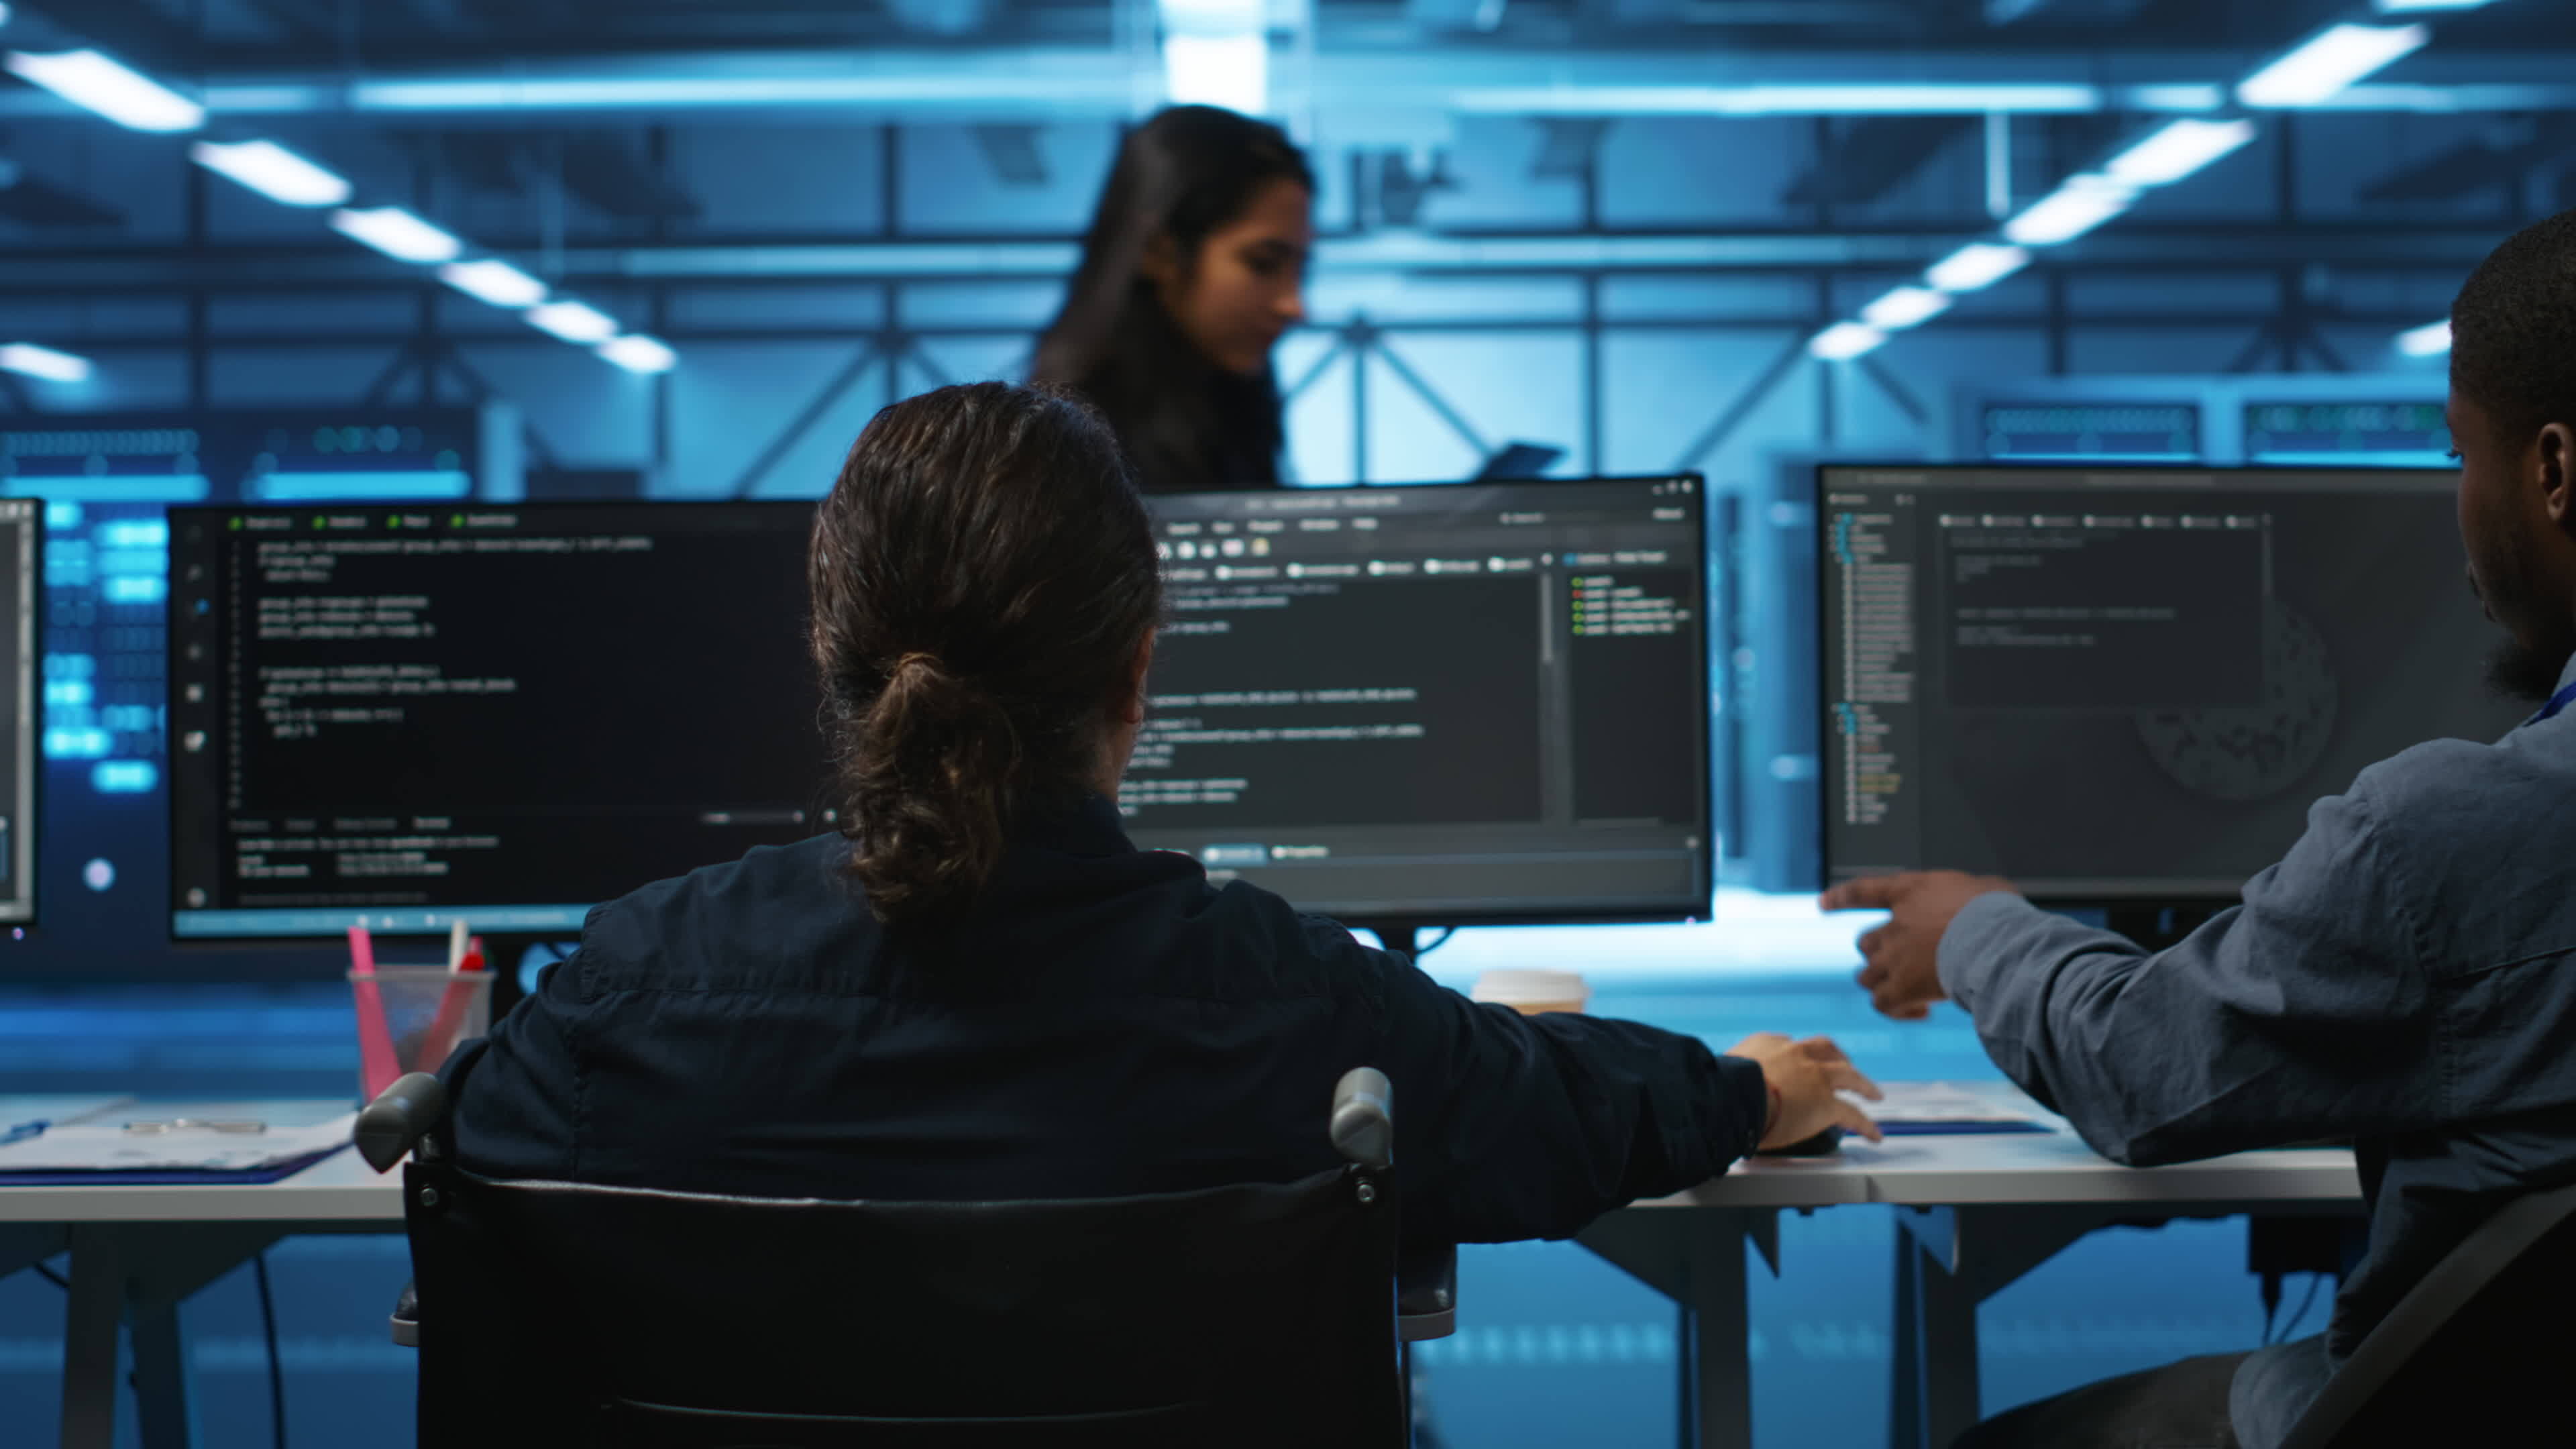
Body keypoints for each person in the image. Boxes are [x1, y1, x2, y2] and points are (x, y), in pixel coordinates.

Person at [446, 380, 1880, 1263]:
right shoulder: (1286, 1006)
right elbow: (1551, 1107)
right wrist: (1752, 1088)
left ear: (838, 668)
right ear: (1137, 673)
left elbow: (471, 1138)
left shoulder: (630, 998)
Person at [1823, 207, 2576, 1449]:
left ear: (2552, 471)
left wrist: (1974, 931)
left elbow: (2139, 1069)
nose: (2460, 502)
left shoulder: (2449, 837)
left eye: (2460, 455)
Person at [1030, 106, 1311, 494]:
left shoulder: (1229, 418)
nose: (1293, 305)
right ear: (1160, 253)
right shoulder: (1061, 455)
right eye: (1262, 264)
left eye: (1301, 269)